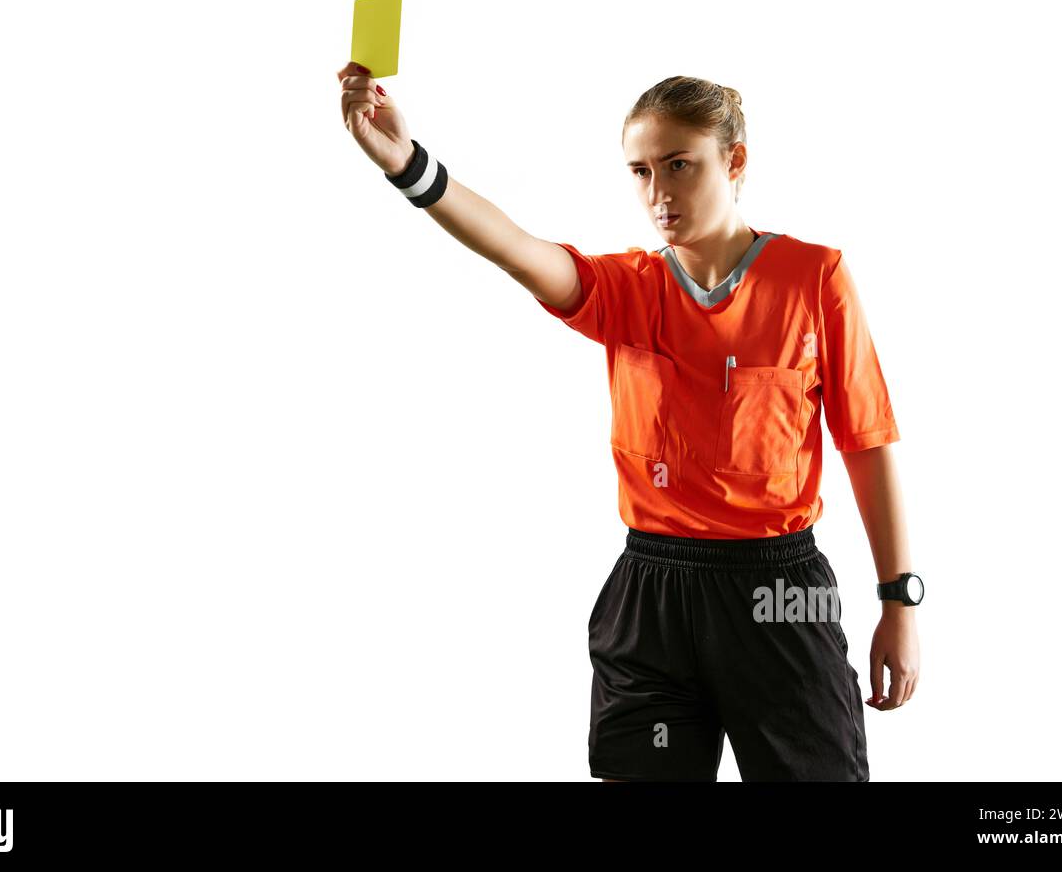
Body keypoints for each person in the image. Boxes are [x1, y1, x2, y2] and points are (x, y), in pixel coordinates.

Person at [337, 62, 921, 781]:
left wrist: (899, 598)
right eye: (641, 172)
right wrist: (408, 165)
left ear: (734, 161)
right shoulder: (628, 289)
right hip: (651, 595)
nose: (659, 193)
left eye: (679, 165)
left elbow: (867, 441)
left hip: (778, 591)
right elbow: (517, 248)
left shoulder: (814, 278)